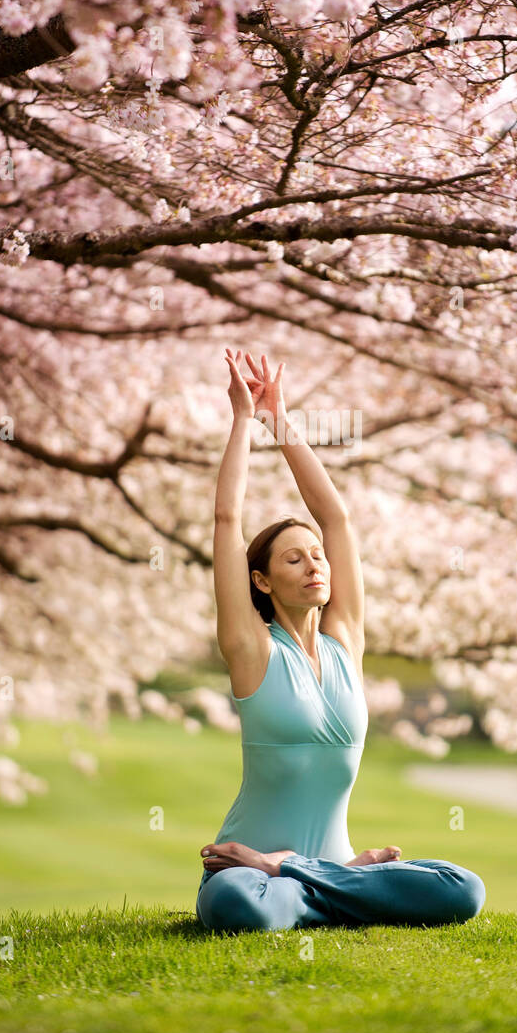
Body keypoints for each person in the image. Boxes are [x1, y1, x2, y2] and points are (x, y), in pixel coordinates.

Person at [196, 348, 486, 933]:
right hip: (244, 874)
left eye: (317, 557)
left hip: (317, 869)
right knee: (236, 906)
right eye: (293, 559)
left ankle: (308, 877)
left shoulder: (344, 642)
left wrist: (282, 421)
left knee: (465, 890)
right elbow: (228, 521)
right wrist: (243, 421)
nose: (314, 565)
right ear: (261, 579)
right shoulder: (253, 651)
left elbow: (339, 520)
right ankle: (324, 885)